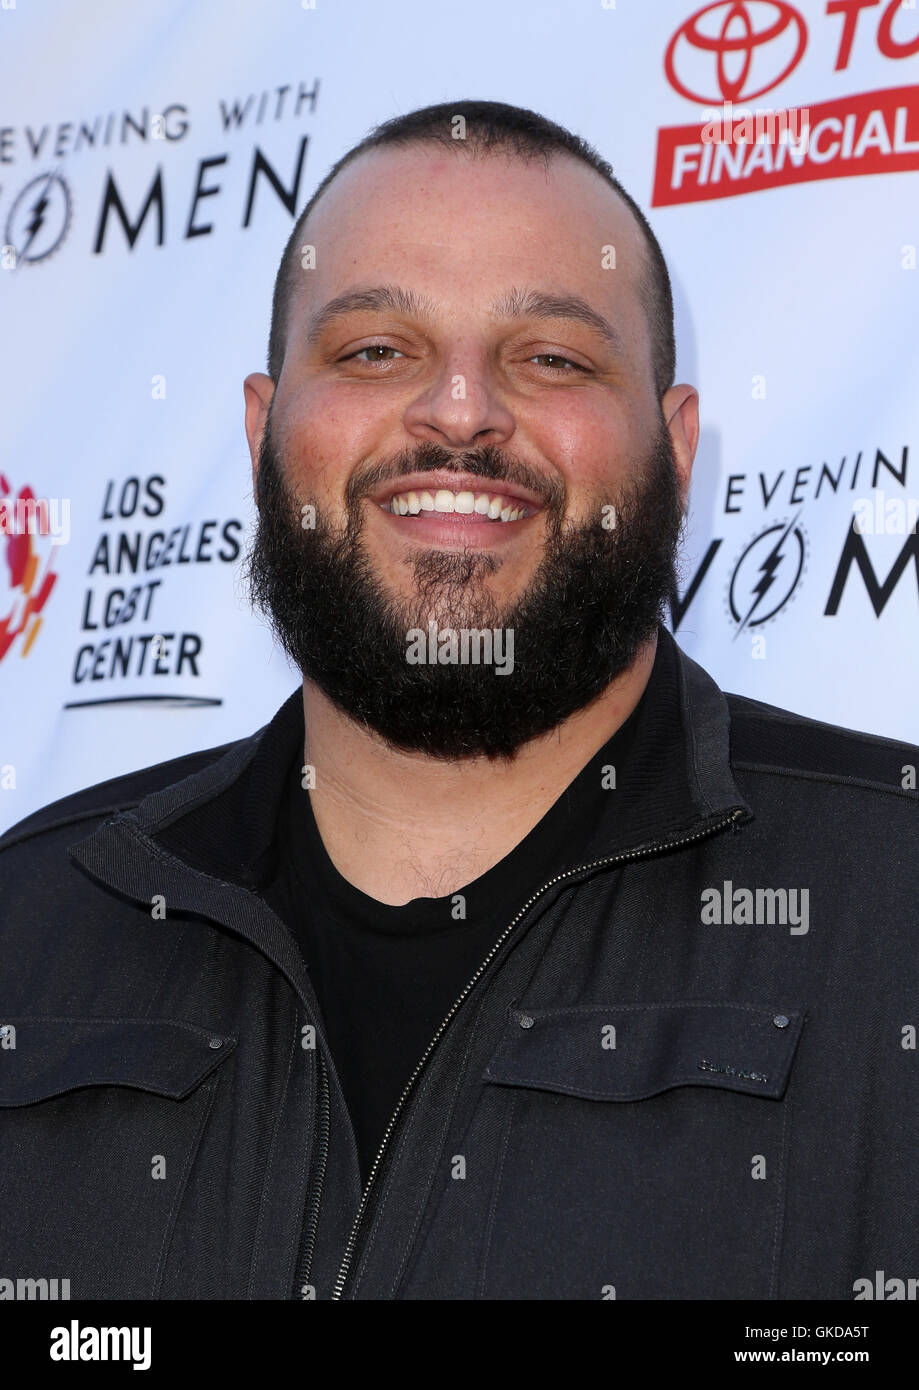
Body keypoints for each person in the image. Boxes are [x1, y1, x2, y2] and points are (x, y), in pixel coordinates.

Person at [1, 100, 916, 1302]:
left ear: (676, 447)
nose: (458, 412)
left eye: (551, 357)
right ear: (264, 427)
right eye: (376, 349)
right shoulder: (34, 923)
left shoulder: (891, 899)